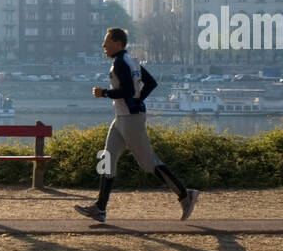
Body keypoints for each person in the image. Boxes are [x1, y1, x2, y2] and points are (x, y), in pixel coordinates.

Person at [75, 28, 199, 223]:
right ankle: (100, 207)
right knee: (107, 157)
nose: (103, 46)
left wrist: (104, 93)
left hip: (131, 119)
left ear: (118, 43)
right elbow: (150, 83)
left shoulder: (120, 63)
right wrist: (138, 98)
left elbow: (125, 90)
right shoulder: (131, 61)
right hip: (122, 117)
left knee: (149, 163)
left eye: (107, 41)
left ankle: (185, 195)